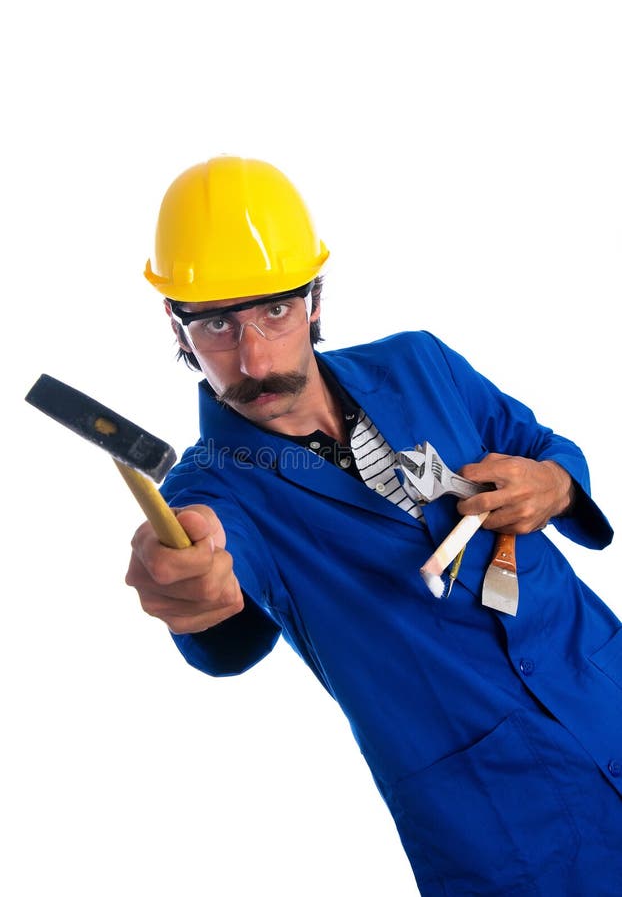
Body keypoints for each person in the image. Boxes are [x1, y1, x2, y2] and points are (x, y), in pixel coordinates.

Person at [126, 156, 622, 896]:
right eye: (219, 322)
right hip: (500, 813)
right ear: (178, 323)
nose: (254, 358)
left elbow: (541, 445)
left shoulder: (420, 362)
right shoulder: (212, 487)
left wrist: (554, 484)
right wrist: (193, 586)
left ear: (314, 299)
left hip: (601, 683)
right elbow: (221, 612)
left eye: (273, 311)